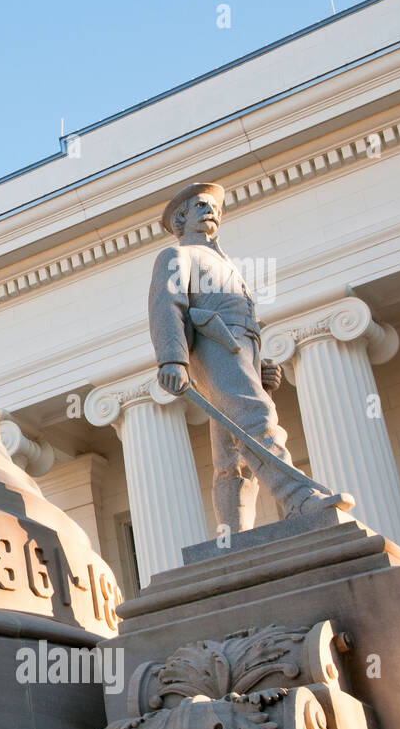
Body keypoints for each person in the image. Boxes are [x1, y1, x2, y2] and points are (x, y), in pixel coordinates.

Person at [149, 182, 351, 530]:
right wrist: (172, 359)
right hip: (214, 345)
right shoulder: (176, 256)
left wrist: (257, 369)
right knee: (255, 415)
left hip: (238, 350)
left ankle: (233, 536)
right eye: (200, 205)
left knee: (232, 453)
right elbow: (166, 305)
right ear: (181, 219)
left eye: (213, 206)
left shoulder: (223, 262)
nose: (210, 209)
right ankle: (298, 498)